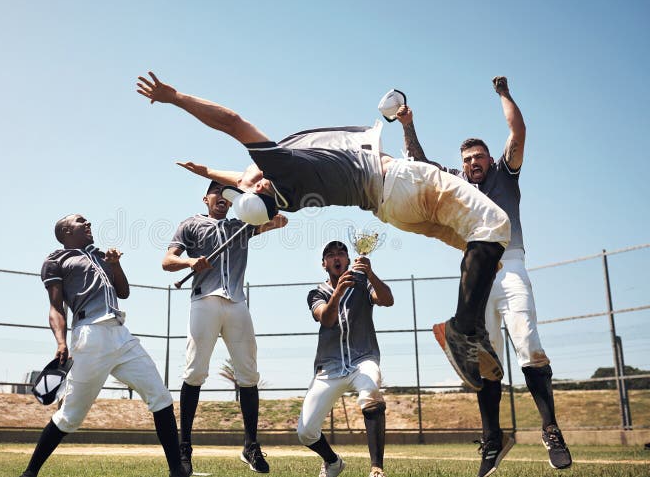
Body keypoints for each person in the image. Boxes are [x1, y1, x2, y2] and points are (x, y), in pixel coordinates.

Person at [137, 71, 510, 393]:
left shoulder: (282, 196)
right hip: (400, 183)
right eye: (246, 182)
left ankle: (472, 330)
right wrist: (176, 98)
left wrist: (205, 172)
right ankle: (462, 329)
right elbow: (232, 122)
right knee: (496, 225)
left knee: (486, 253)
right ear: (262, 186)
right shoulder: (277, 166)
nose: (242, 174)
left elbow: (239, 180)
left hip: (391, 210)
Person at [396, 76, 572, 475]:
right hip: (475, 275)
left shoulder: (505, 176)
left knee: (528, 343)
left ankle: (550, 430)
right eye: (468, 159)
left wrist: (504, 94)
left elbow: (518, 131)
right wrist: (407, 125)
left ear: (490, 160)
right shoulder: (458, 186)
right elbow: (421, 166)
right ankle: (492, 440)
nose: (473, 163)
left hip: (509, 266)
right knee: (483, 362)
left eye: (479, 157)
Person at [20, 214, 187, 477]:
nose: (88, 224)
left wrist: (115, 264)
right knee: (69, 418)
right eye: (80, 221)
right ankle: (30, 473)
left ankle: (178, 470)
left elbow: (123, 293)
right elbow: (56, 307)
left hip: (121, 334)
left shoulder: (100, 255)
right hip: (90, 337)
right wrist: (61, 342)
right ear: (65, 231)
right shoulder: (56, 261)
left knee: (161, 397)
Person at [162, 180, 286, 475]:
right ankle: (185, 449)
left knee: (248, 375)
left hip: (237, 302)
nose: (222, 195)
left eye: (227, 193)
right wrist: (191, 262)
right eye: (216, 190)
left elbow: (281, 219)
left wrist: (260, 200)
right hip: (204, 300)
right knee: (194, 373)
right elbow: (167, 261)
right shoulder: (190, 224)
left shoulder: (241, 225)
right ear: (205, 198)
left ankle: (251, 446)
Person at [298, 241, 394, 477]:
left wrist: (370, 272)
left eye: (341, 253)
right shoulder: (317, 292)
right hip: (329, 368)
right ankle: (333, 462)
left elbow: (387, 300)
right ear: (324, 264)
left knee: (370, 391)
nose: (336, 257)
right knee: (306, 431)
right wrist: (339, 291)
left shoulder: (363, 283)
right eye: (330, 255)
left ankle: (376, 468)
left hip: (362, 359)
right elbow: (326, 319)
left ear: (349, 260)